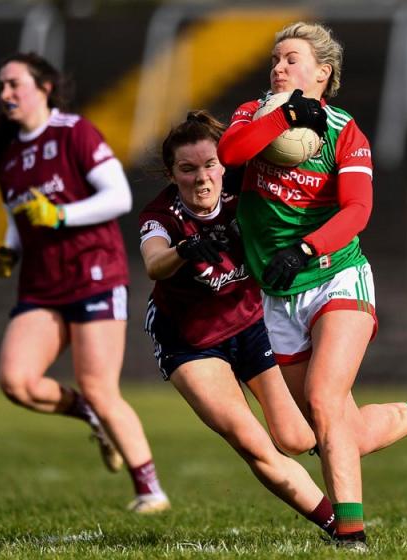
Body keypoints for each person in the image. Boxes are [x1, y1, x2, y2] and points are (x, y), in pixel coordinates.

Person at [218, 22, 407, 550]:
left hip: (335, 274)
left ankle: (352, 534)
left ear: (322, 72)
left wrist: (305, 249)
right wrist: (287, 114)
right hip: (277, 293)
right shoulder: (254, 114)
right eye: (274, 59)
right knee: (310, 433)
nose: (278, 67)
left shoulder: (345, 130)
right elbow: (230, 154)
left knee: (324, 398)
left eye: (291, 59)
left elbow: (358, 210)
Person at [0, 52, 169, 514]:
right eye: (1, 85)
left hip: (93, 273)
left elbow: (118, 197)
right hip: (42, 284)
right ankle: (90, 417)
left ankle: (150, 490)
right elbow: (16, 215)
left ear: (43, 87)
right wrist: (10, 249)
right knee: (17, 382)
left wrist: (61, 214)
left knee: (100, 385)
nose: (5, 94)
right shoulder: (10, 155)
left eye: (14, 83)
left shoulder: (73, 131)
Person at [140, 110, 339, 538]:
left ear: (223, 164)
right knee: (252, 443)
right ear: (172, 174)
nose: (201, 178)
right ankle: (340, 527)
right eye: (187, 169)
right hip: (190, 341)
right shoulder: (162, 215)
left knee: (298, 438)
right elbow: (154, 263)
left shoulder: (246, 191)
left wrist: (294, 121)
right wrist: (188, 249)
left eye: (209, 164)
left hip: (250, 324)